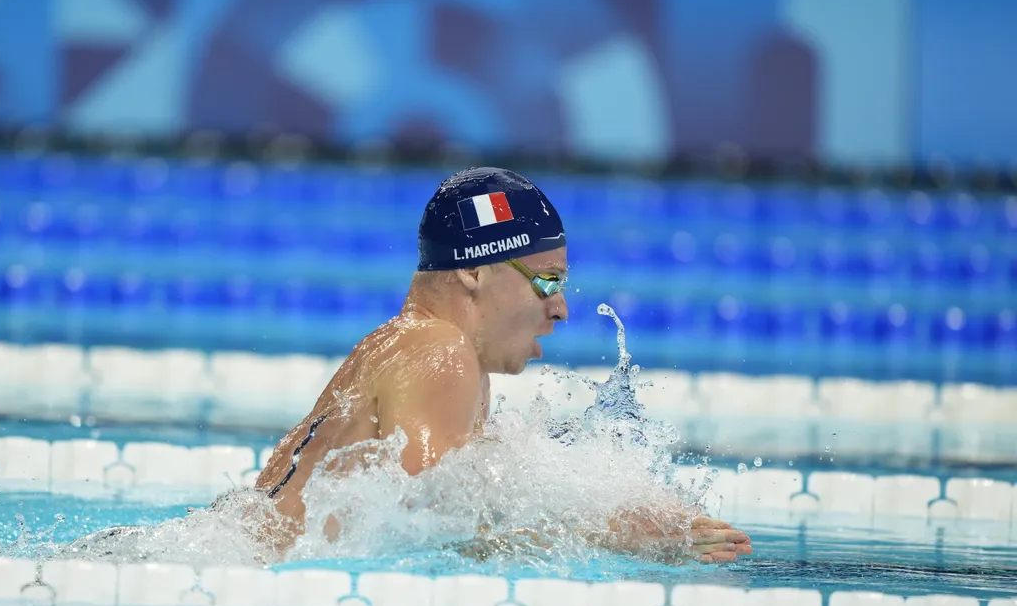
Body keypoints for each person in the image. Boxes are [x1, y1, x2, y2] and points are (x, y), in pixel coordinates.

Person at [253, 167, 752, 564]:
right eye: (548, 282)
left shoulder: (420, 347)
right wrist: (616, 535)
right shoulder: (439, 351)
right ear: (473, 271)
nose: (561, 309)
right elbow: (423, 528)